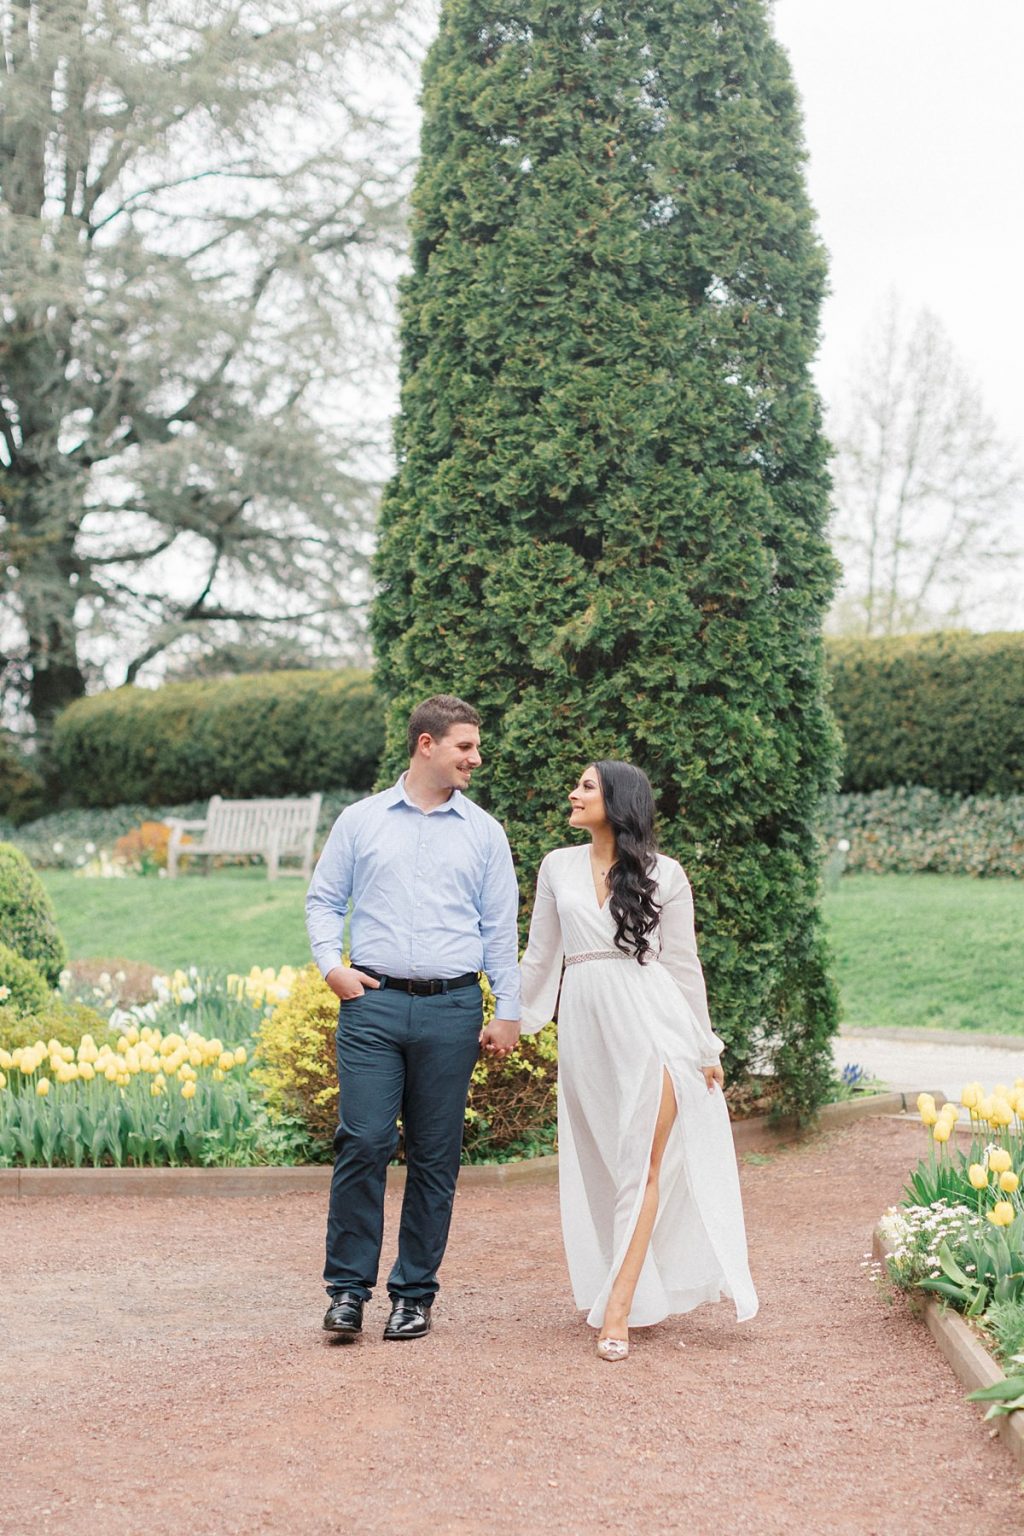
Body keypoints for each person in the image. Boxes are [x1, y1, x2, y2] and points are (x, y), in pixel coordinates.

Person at [518, 760, 758, 1360]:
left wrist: (704, 1046)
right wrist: (508, 1022)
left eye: (587, 786)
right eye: (575, 783)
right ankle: (631, 1285)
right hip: (584, 1031)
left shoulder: (665, 874)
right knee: (604, 1166)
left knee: (641, 1167)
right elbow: (540, 958)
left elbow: (683, 965)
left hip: (656, 1029)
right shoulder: (556, 866)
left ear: (618, 801)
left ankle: (618, 1312)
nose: (572, 793)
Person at [306, 694, 521, 1342]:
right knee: (364, 1140)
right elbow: (323, 900)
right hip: (371, 1006)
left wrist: (507, 1011)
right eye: (465, 747)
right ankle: (347, 1292)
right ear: (426, 744)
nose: (476, 758)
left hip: (452, 1008)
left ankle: (413, 1295)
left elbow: (499, 930)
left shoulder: (484, 833)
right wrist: (330, 966)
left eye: (475, 747)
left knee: (435, 1157)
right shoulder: (361, 821)